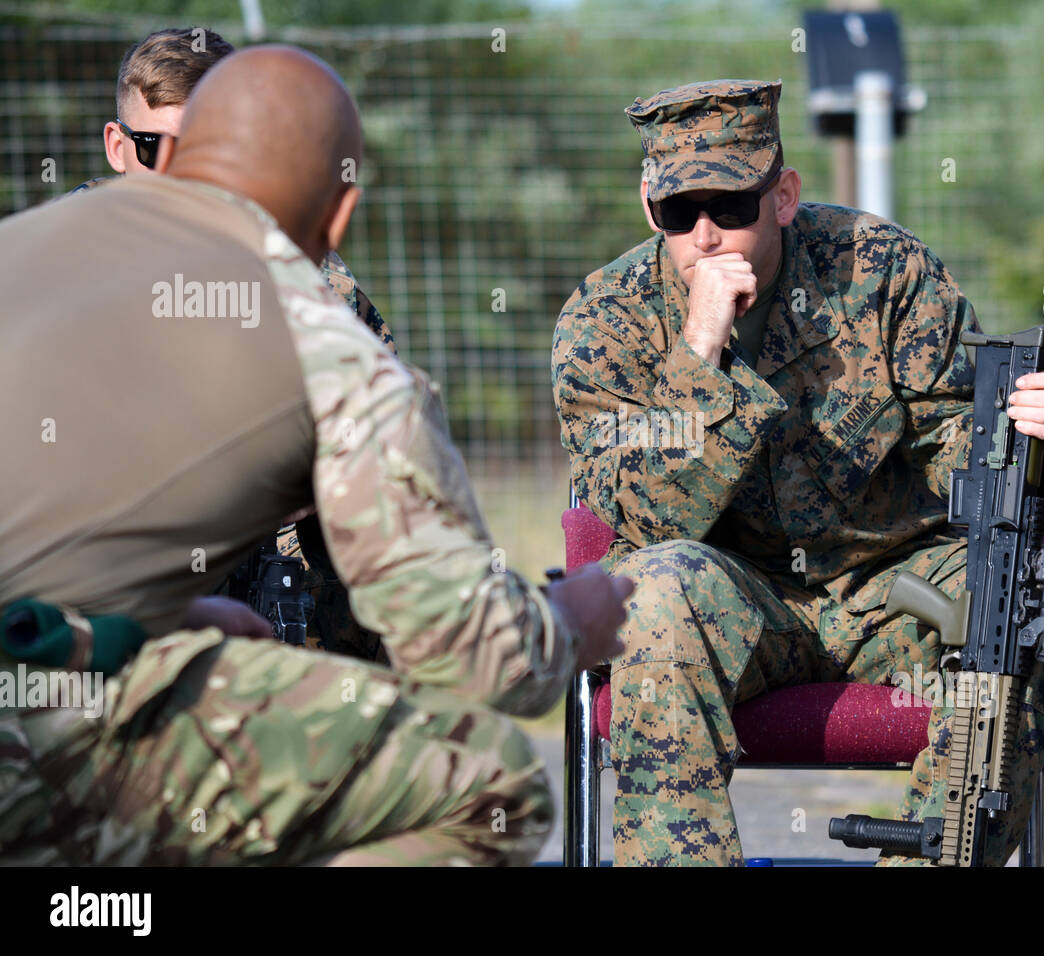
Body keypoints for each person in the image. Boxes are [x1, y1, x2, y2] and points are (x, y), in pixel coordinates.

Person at [0, 45, 632, 866]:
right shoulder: (329, 349)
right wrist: (567, 625)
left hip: (47, 645)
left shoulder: (28, 246)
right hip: (38, 732)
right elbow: (478, 656)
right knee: (490, 783)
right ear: (338, 215)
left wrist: (165, 621)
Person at [551, 79, 1044, 866]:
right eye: (680, 213)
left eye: (731, 206)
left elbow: (961, 458)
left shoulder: (881, 273)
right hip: (732, 594)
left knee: (1031, 600)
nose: (705, 236)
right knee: (654, 593)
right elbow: (645, 524)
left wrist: (1022, 437)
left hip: (892, 583)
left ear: (782, 196)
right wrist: (699, 353)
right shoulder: (606, 322)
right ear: (650, 209)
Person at [72, 26, 393, 660]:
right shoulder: (61, 266)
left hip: (287, 597)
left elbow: (382, 437)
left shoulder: (309, 272)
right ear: (117, 145)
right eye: (152, 147)